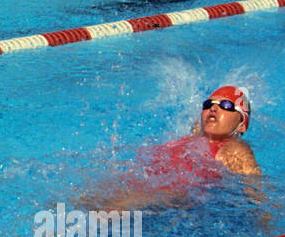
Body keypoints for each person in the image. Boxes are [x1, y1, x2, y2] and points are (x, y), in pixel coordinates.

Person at [80, 85, 263, 212]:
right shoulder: (195, 137)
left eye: (225, 105)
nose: (213, 109)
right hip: (146, 180)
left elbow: (254, 186)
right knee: (81, 199)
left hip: (171, 193)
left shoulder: (234, 148)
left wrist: (265, 220)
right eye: (208, 105)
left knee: (108, 211)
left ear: (242, 125)